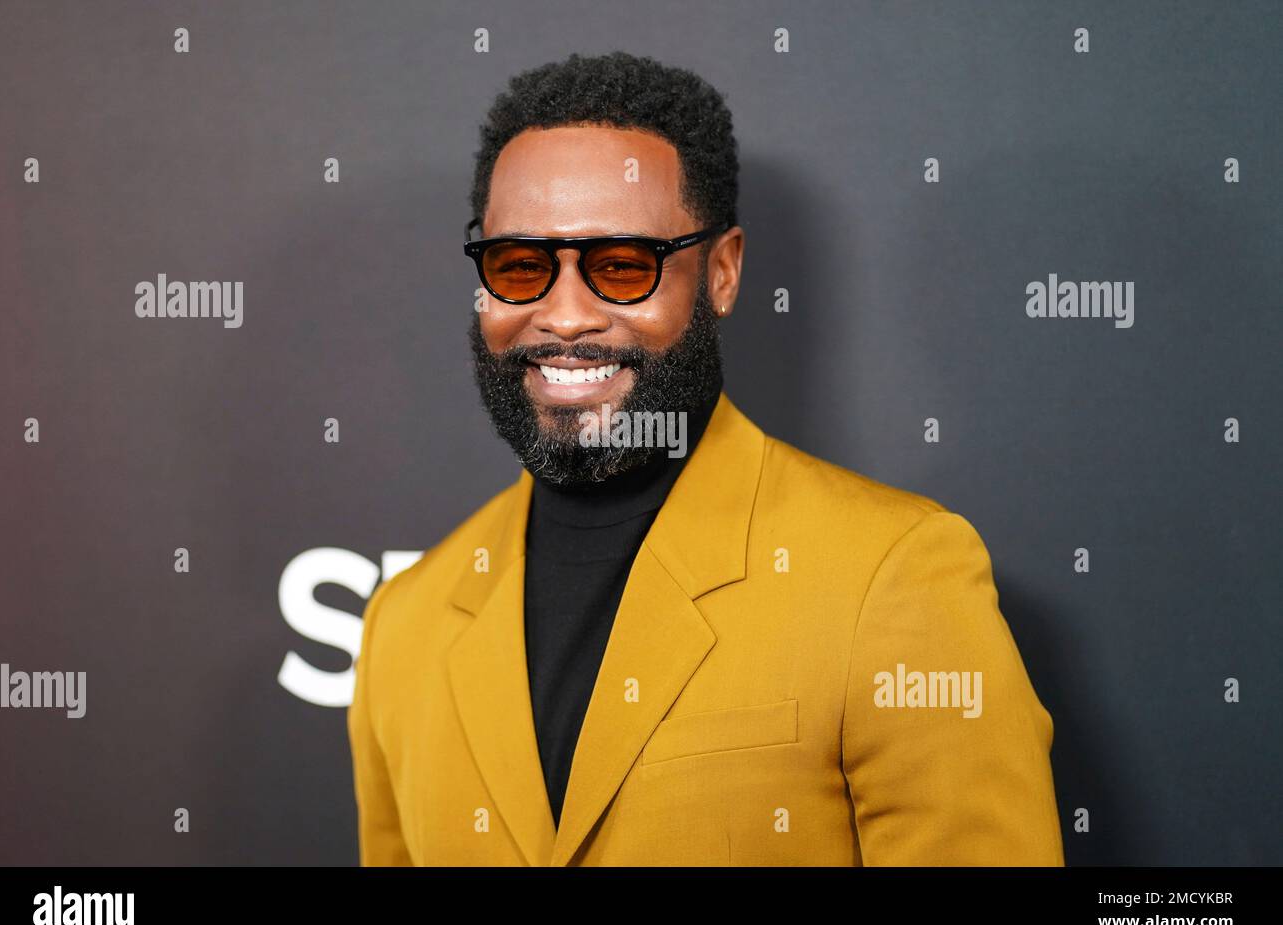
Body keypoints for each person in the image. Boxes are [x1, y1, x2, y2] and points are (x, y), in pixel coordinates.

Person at [347, 51, 1064, 866]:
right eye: (520, 266)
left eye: (623, 266)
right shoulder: (403, 626)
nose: (565, 316)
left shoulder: (894, 578)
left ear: (721, 273)